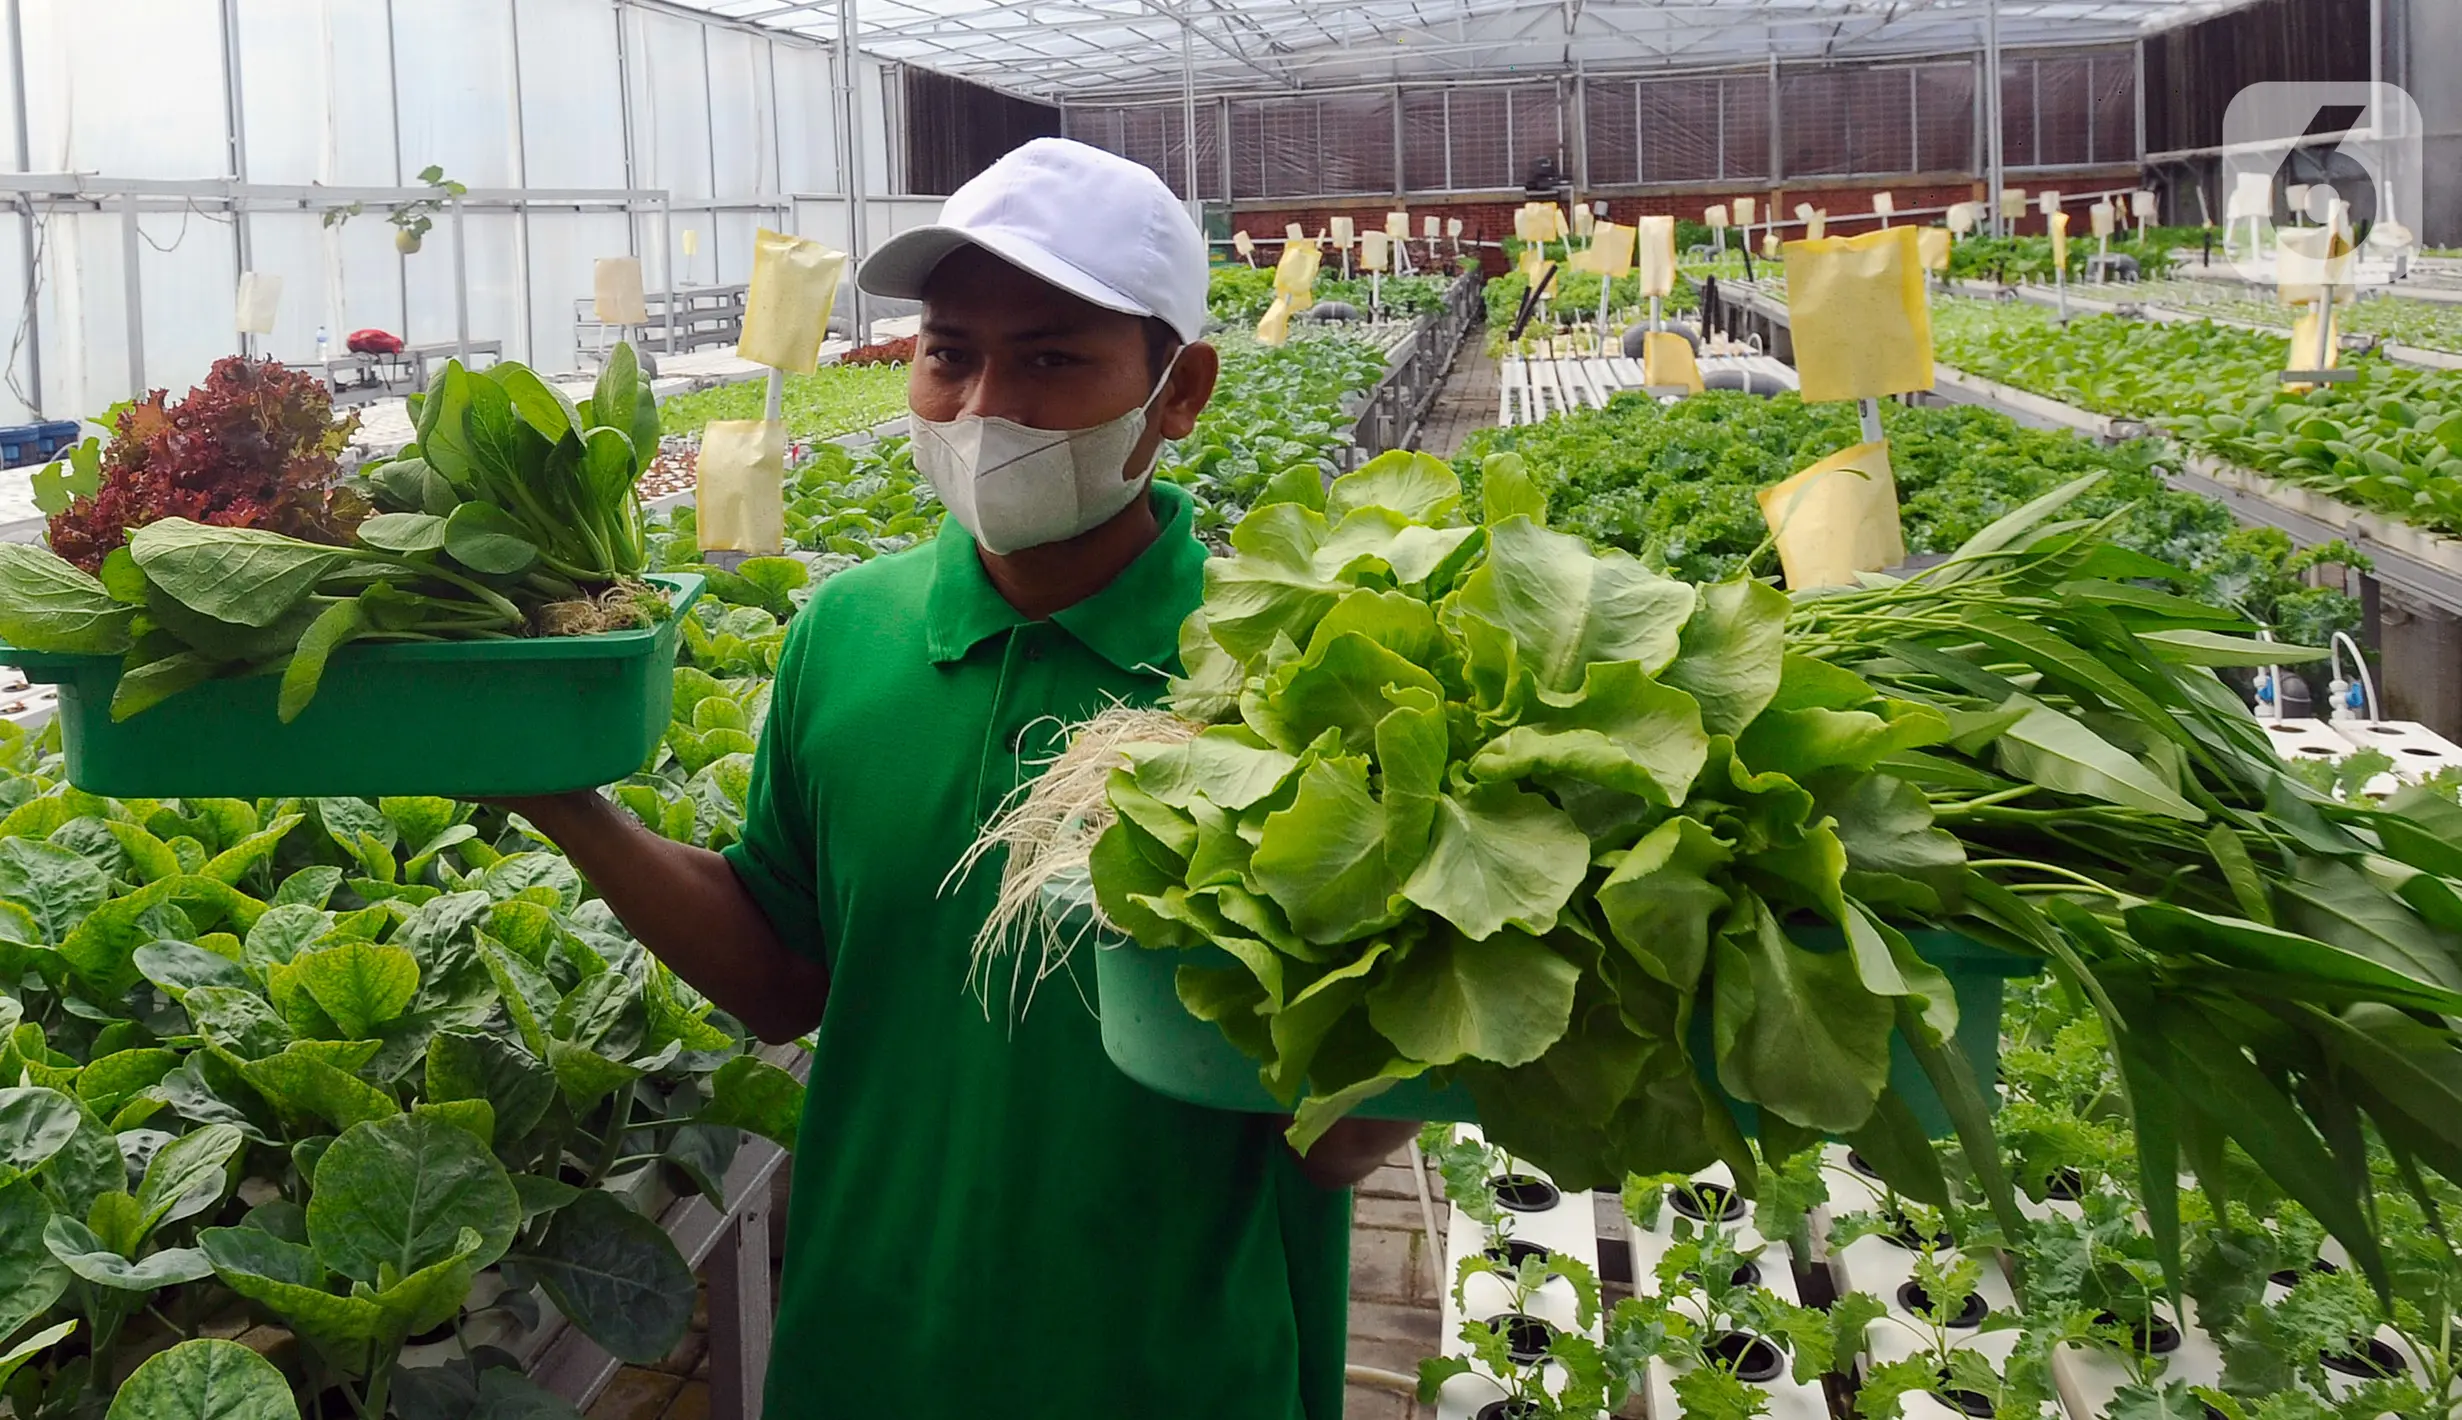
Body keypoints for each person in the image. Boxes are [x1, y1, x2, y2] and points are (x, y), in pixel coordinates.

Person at [502, 137, 1417, 1419]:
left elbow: (1340, 1139)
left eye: (1049, 360)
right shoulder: (846, 633)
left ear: (1181, 391)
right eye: (949, 355)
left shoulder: (1284, 670)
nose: (985, 406)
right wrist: (564, 805)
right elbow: (784, 977)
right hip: (866, 1345)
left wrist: (1414, 1041)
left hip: (1168, 1367)